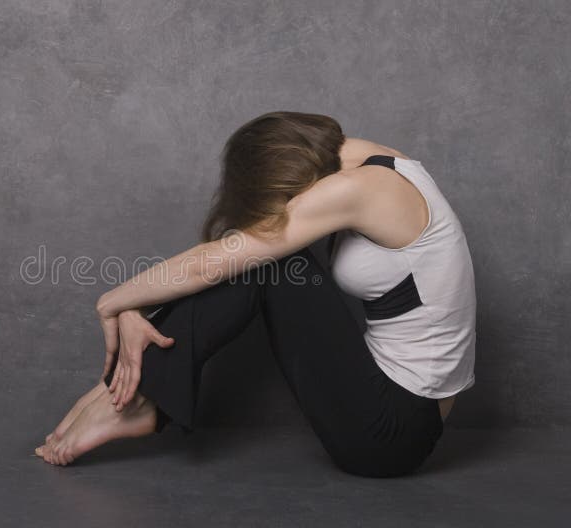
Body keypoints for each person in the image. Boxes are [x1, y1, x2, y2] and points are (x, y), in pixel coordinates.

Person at [34, 111, 476, 477]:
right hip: (395, 405)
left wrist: (112, 302)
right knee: (260, 257)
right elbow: (232, 253)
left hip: (392, 434)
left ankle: (135, 401)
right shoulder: (372, 159)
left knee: (271, 263)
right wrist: (137, 306)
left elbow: (218, 260)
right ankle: (131, 394)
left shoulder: (358, 190)